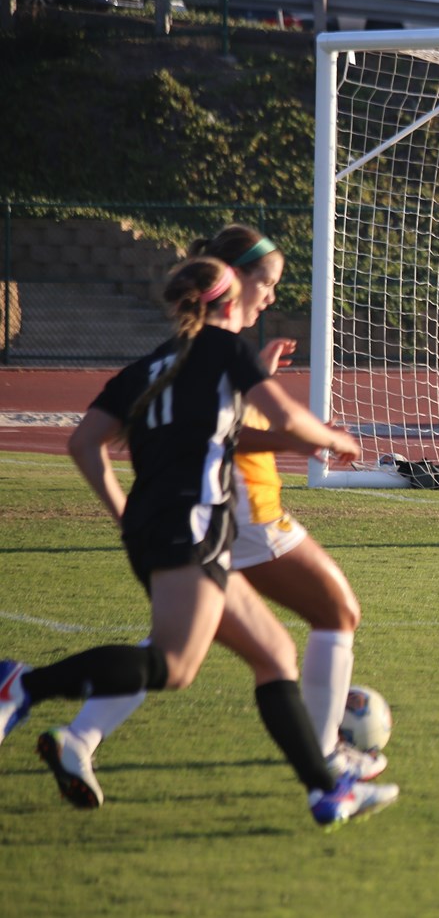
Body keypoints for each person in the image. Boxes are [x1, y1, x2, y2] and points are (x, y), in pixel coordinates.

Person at [0, 256, 396, 828]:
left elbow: (84, 443)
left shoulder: (150, 366)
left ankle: (327, 790)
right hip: (192, 523)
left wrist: (124, 514)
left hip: (161, 525)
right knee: (176, 664)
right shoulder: (223, 348)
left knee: (274, 655)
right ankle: (23, 685)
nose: (264, 299)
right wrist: (332, 438)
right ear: (229, 301)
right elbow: (285, 415)